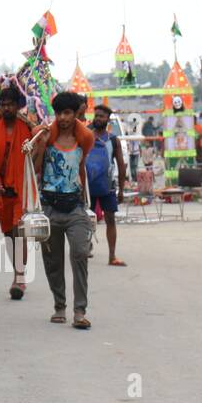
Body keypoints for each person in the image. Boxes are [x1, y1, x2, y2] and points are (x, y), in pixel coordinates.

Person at [31, 92, 95, 329]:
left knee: (80, 254)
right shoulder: (47, 137)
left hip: (75, 208)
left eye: (67, 113)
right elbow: (36, 168)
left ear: (76, 114)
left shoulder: (84, 139)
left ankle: (80, 311)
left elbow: (81, 168)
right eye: (59, 113)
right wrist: (41, 143)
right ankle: (59, 306)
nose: (63, 117)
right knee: (52, 261)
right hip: (50, 207)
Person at [0, 87, 35, 300]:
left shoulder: (28, 129)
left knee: (19, 232)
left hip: (23, 191)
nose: (6, 108)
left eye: (10, 104)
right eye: (2, 104)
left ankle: (19, 277)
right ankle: (18, 273)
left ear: (18, 105)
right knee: (9, 235)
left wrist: (29, 121)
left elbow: (43, 137)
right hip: (1, 193)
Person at [87, 104, 127, 266]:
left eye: (101, 116)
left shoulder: (113, 140)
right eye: (96, 115)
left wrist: (122, 190)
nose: (98, 118)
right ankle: (84, 250)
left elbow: (121, 165)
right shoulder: (86, 136)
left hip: (107, 186)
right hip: (88, 187)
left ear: (108, 119)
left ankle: (112, 256)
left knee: (110, 220)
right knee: (84, 220)